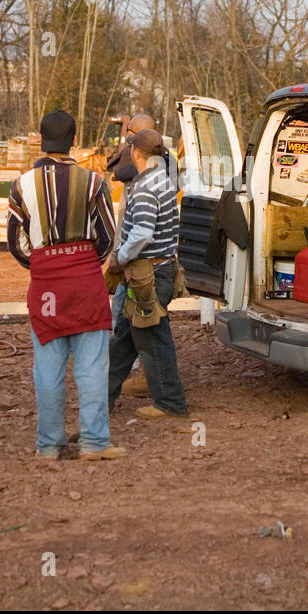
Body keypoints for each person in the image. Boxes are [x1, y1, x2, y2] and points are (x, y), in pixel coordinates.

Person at [7, 110, 126, 461]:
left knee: (48, 367)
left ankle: (49, 445)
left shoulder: (21, 185)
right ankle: (94, 442)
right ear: (74, 140)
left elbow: (16, 243)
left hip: (46, 286)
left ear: (40, 139)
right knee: (92, 366)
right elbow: (106, 238)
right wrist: (82, 261)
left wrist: (44, 265)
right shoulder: (92, 183)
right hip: (85, 282)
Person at [106, 128, 188, 419]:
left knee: (153, 339)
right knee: (125, 339)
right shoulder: (163, 181)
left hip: (147, 277)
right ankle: (103, 398)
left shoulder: (143, 188)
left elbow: (142, 232)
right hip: (158, 271)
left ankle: (171, 403)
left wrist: (120, 257)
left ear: (137, 153)